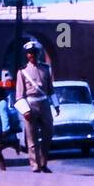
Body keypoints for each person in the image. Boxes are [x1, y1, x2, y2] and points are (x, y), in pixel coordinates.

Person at [15, 42, 57, 173]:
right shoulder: (22, 72)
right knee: (31, 137)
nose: (32, 55)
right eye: (30, 53)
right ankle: (35, 165)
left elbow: (51, 90)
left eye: (34, 53)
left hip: (44, 104)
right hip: (30, 104)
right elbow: (19, 95)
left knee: (48, 133)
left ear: (38, 54)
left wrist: (56, 105)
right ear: (27, 55)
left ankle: (44, 163)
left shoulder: (45, 69)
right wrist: (25, 110)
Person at [0, 90, 22, 171]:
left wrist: (5, 130)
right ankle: (2, 169)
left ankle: (13, 143)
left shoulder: (2, 103)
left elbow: (4, 117)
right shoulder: (1, 104)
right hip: (1, 131)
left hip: (3, 132)